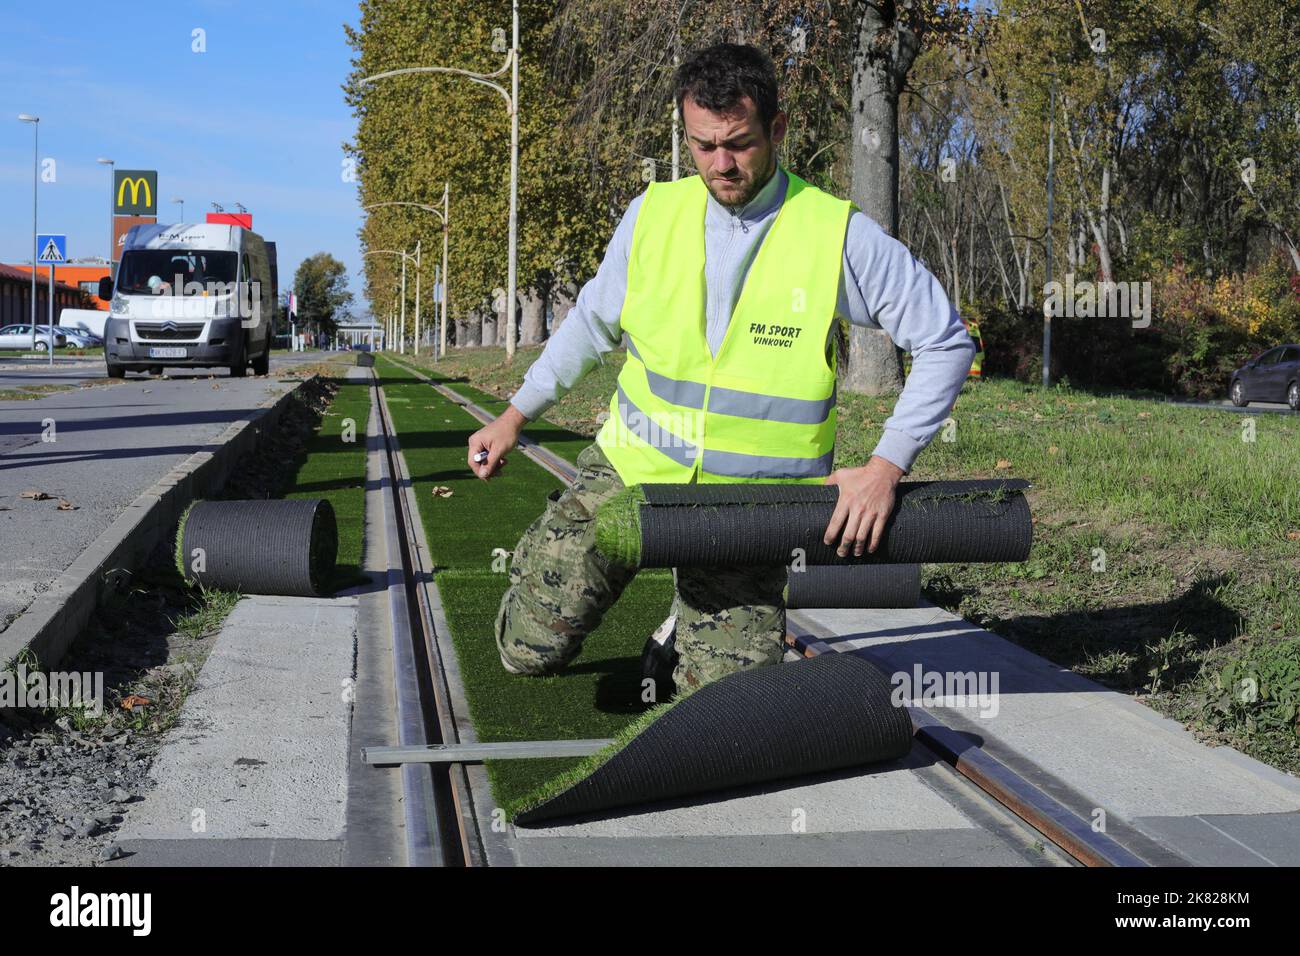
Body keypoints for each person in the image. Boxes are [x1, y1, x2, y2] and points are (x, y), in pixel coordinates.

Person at [468, 42, 975, 697]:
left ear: (778, 130)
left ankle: (680, 635)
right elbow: (591, 323)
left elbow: (945, 341)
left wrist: (887, 466)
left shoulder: (836, 234)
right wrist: (513, 416)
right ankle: (549, 566)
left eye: (738, 143)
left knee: (726, 706)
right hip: (630, 470)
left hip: (750, 508)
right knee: (526, 654)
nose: (721, 164)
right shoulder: (652, 215)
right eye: (702, 146)